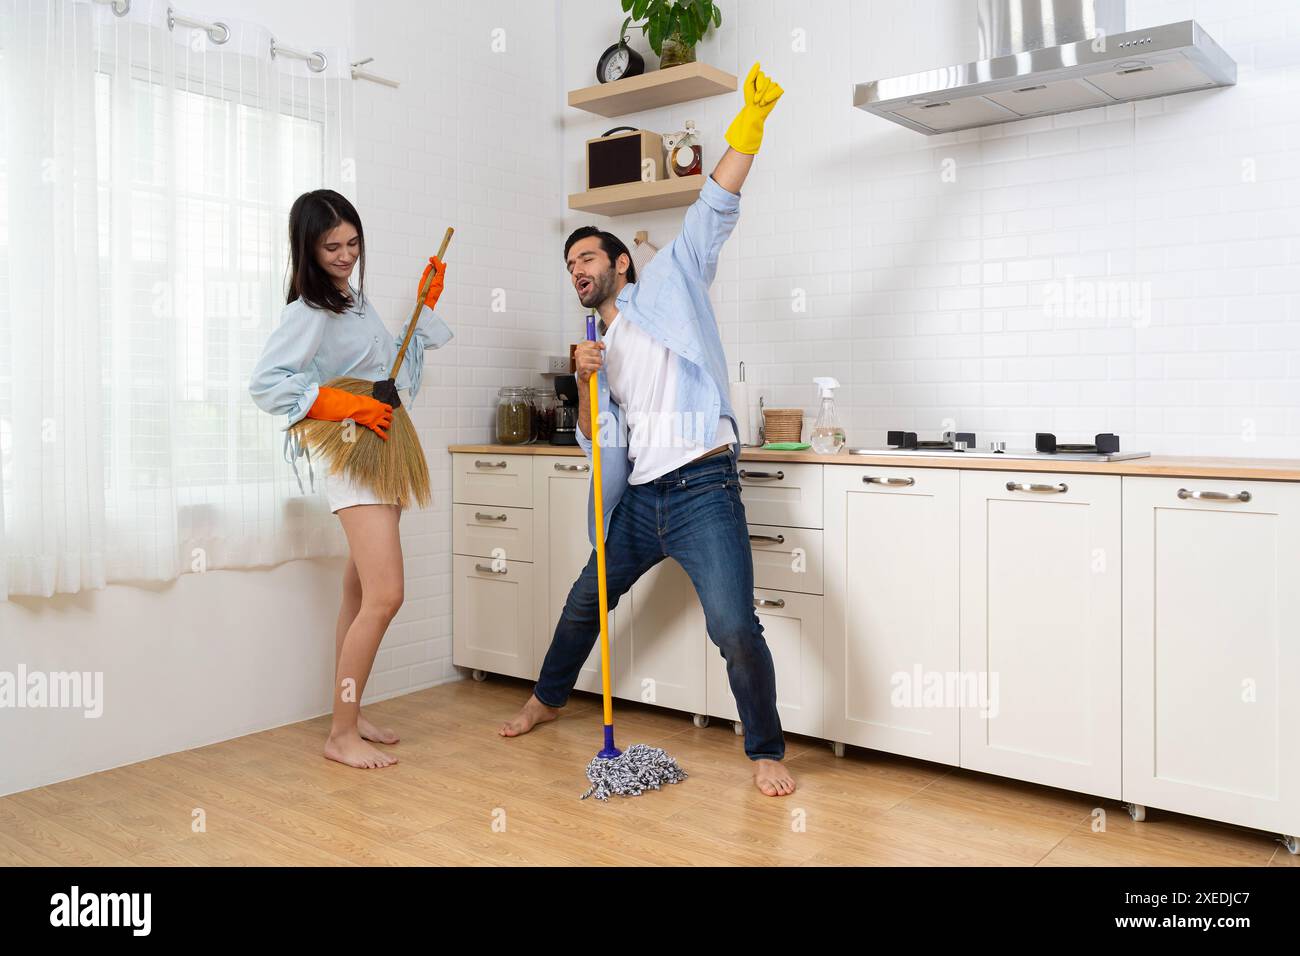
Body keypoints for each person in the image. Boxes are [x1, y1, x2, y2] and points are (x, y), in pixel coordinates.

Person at [500, 64, 796, 797]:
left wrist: (747, 128)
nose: (578, 270)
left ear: (620, 262)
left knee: (732, 626)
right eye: (570, 265)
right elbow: (600, 444)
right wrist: (585, 383)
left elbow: (713, 205)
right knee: (583, 598)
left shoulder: (671, 281)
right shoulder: (592, 350)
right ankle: (546, 696)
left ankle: (765, 750)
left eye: (588, 257)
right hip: (641, 497)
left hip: (701, 483)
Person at [250, 189, 453, 769]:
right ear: (307, 250)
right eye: (331, 246)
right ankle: (340, 735)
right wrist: (347, 406)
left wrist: (423, 305)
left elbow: (393, 370)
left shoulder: (354, 301)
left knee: (359, 591)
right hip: (352, 450)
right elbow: (267, 384)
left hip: (379, 446)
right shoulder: (309, 310)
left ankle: (351, 709)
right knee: (388, 594)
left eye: (353, 243)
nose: (344, 255)